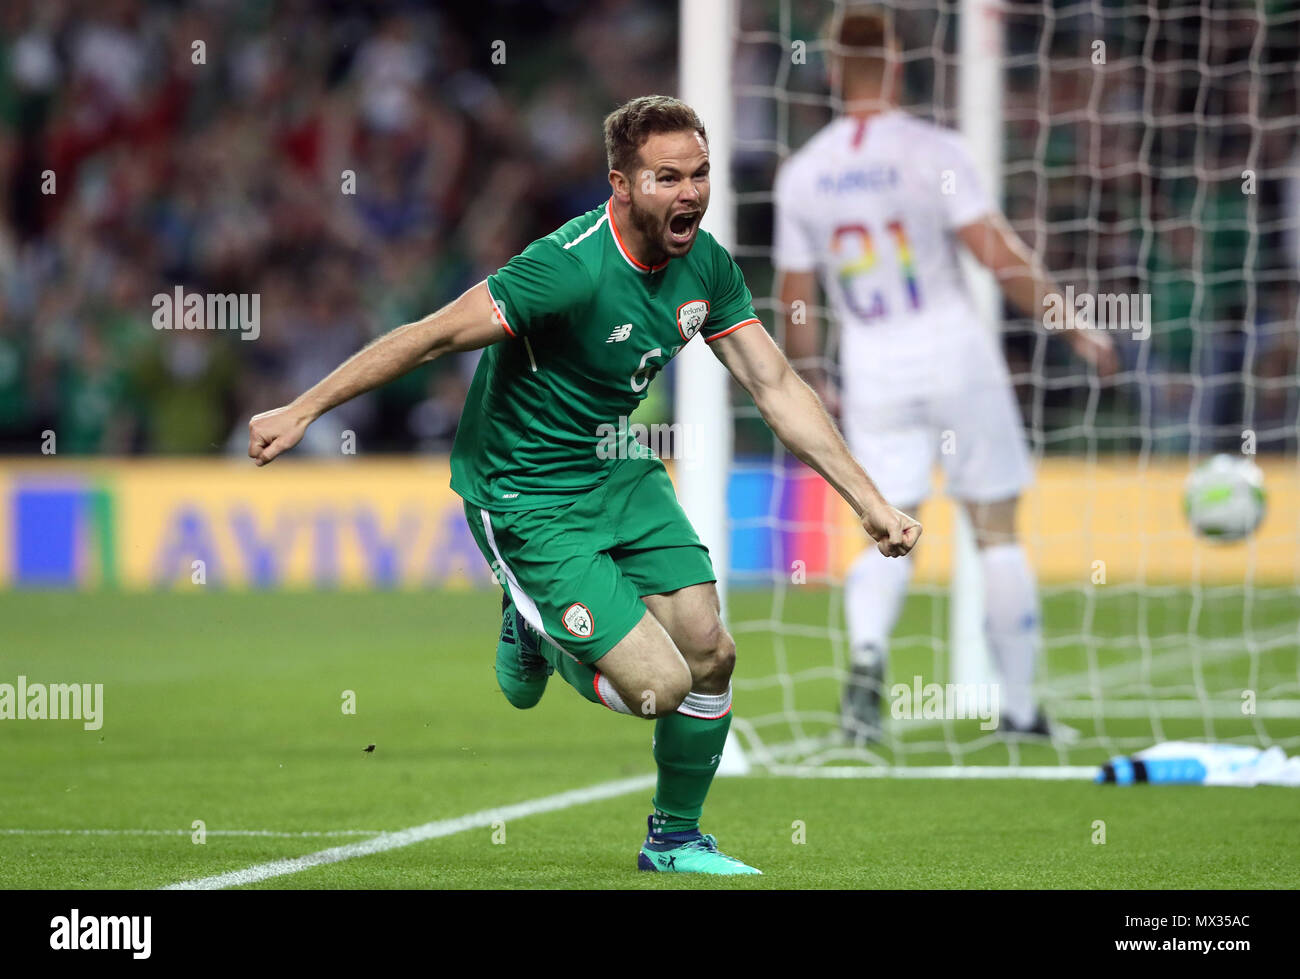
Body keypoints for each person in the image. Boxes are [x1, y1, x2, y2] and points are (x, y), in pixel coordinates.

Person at [249, 95, 920, 875]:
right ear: (622, 184)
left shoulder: (706, 265)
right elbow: (427, 337)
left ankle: (673, 839)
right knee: (659, 687)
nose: (692, 193)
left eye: (700, 174)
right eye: (668, 177)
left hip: (615, 465)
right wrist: (302, 409)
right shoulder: (562, 271)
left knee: (712, 650)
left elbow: (774, 386)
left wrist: (869, 502)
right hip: (525, 490)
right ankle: (531, 625)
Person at [774, 9, 1116, 743]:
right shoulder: (934, 150)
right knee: (995, 530)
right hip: (956, 354)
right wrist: (1077, 326)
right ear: (898, 64)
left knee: (884, 522)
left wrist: (808, 374)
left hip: (872, 366)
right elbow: (998, 256)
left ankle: (866, 669)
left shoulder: (803, 173)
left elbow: (795, 296)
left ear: (833, 71)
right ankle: (1020, 709)